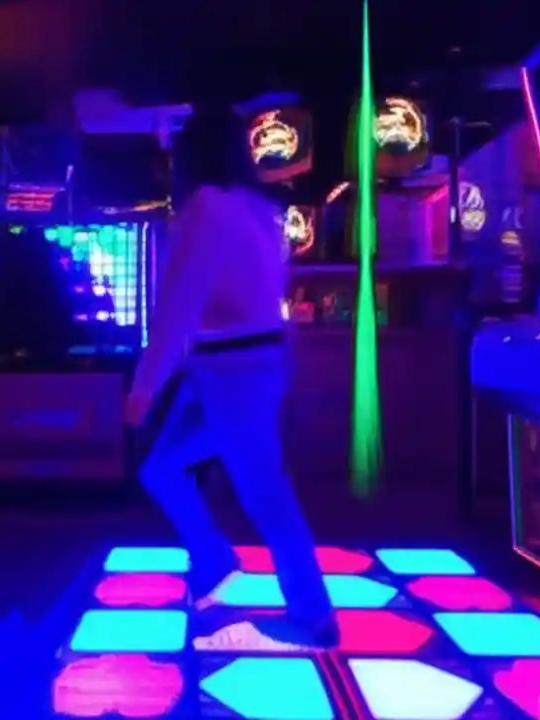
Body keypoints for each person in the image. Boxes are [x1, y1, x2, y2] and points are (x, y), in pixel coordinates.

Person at [123, 104, 337, 647]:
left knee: (264, 493)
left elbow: (178, 303)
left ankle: (314, 616)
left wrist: (145, 385)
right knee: (163, 468)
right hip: (244, 365)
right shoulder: (259, 209)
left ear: (192, 156)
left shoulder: (206, 207)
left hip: (232, 370)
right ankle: (215, 557)